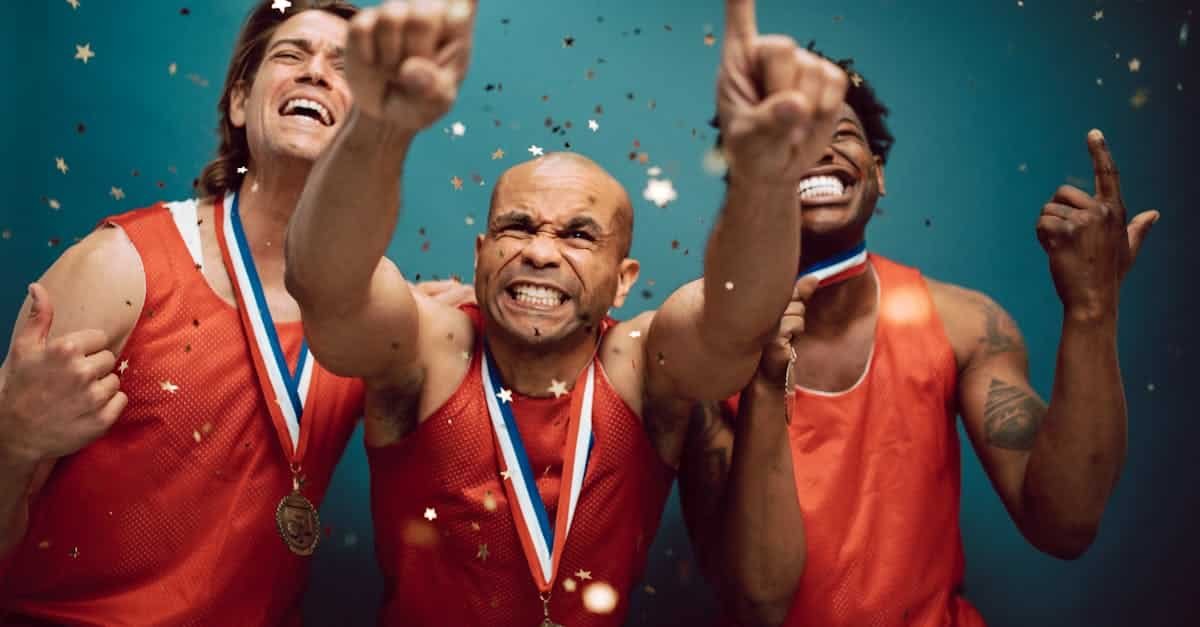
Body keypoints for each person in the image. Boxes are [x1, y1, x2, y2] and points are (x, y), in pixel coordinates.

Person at [282, 1, 849, 624]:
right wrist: (378, 126)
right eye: (516, 226)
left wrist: (762, 180)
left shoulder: (640, 365)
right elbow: (326, 285)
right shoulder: (430, 348)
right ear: (480, 253)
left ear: (623, 280)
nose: (539, 253)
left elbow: (738, 319)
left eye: (579, 236)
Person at [0, 1, 465, 623]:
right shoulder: (122, 266)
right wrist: (11, 439)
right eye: (291, 55)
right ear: (242, 103)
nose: (317, 74)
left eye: (346, 67)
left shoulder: (374, 315)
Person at [678, 42, 1160, 627]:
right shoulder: (697, 345)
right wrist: (758, 370)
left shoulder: (965, 325)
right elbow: (759, 602)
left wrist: (1092, 309)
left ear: (877, 174)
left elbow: (1064, 524)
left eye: (840, 129)